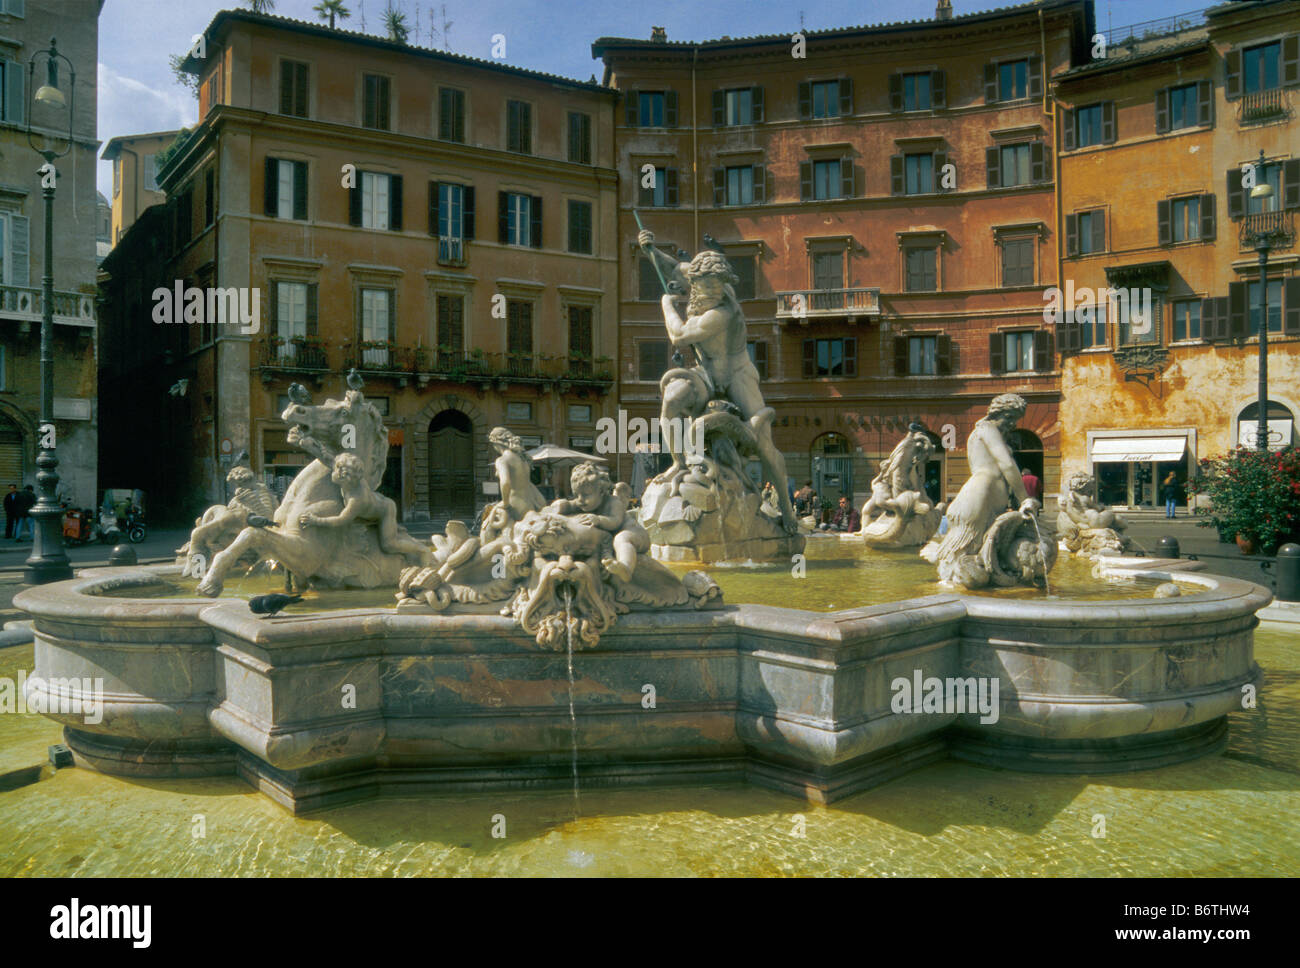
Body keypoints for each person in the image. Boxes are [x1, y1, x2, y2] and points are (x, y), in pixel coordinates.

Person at [639, 230, 799, 533]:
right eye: (707, 286)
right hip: (707, 374)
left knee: (763, 441)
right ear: (694, 282)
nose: (713, 291)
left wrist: (666, 305)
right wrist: (651, 249)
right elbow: (673, 267)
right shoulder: (695, 277)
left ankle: (788, 511)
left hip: (737, 374)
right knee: (672, 400)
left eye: (718, 285)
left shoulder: (722, 313)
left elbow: (679, 336)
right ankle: (678, 463)